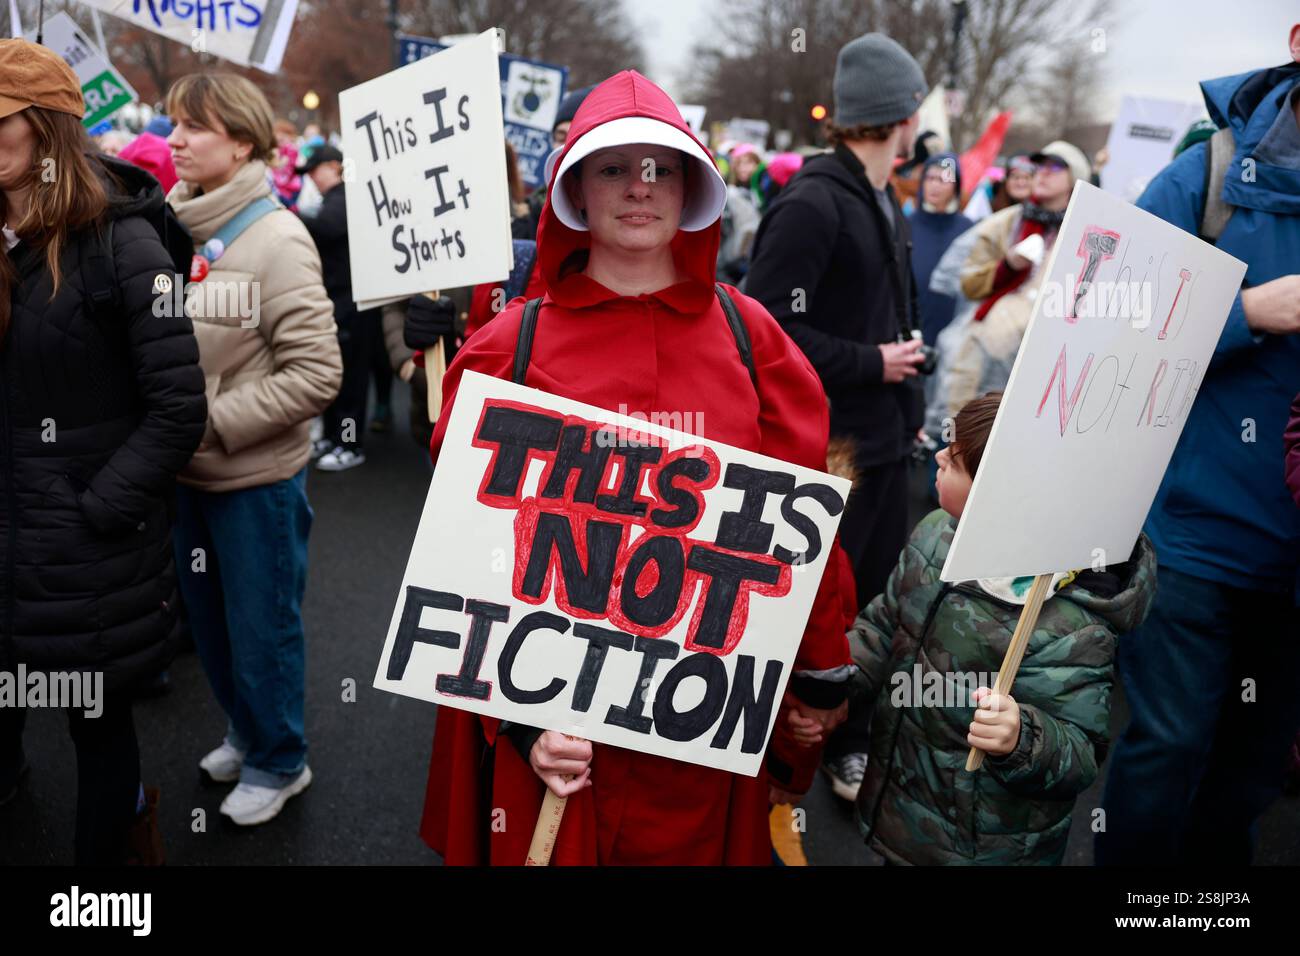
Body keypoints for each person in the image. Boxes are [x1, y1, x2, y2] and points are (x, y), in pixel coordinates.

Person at [412, 69, 854, 865]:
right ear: (576, 187)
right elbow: (464, 557)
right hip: (552, 721)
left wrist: (820, 671)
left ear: (692, 186)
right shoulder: (507, 346)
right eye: (614, 167)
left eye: (662, 166)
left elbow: (802, 531)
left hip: (699, 722)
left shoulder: (755, 341)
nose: (640, 188)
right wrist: (515, 720)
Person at [1097, 26, 1300, 866]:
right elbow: (1106, 319)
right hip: (1193, 543)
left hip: (1293, 571)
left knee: (1253, 774)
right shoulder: (1207, 175)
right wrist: (1246, 315)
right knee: (1166, 755)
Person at [0, 40, 207, 862]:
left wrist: (96, 510)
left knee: (97, 734)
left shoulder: (126, 246)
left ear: (43, 129)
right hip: (8, 544)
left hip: (87, 557)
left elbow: (177, 409)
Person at [841, 392, 1155, 864]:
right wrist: (836, 684)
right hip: (900, 805)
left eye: (959, 461)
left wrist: (1020, 737)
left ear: (1000, 496)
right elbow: (885, 624)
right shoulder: (934, 532)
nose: (941, 454)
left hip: (984, 847)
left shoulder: (1069, 624)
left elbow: (1080, 753)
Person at [744, 32, 929, 802]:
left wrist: (907, 402)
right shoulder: (816, 201)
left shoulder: (882, 195)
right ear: (901, 116)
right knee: (822, 610)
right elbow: (763, 327)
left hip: (885, 443)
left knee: (876, 605)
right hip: (832, 452)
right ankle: (787, 748)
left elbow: (886, 310)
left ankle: (851, 740)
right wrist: (874, 364)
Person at [165, 73, 342, 826]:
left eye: (191, 128)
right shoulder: (177, 222)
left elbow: (318, 372)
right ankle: (247, 731)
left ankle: (280, 760)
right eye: (173, 125)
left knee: (263, 626)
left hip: (253, 481)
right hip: (189, 477)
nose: (174, 140)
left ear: (240, 142)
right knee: (211, 624)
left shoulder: (278, 238)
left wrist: (207, 423)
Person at [946, 140, 1088, 415]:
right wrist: (1007, 265)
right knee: (968, 433)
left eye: (1055, 166)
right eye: (1040, 165)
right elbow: (968, 282)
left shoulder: (1087, 230)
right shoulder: (1006, 223)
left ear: (1075, 178)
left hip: (1048, 364)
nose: (1043, 172)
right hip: (987, 355)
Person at [297, 144, 376, 472]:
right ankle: (334, 436)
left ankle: (349, 443)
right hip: (340, 299)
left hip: (354, 302)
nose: (312, 179)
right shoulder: (335, 200)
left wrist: (287, 216)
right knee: (335, 374)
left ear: (333, 166)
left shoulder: (347, 198)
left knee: (351, 379)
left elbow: (328, 227)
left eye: (315, 170)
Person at [908, 152, 974, 347]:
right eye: (930, 178)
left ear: (956, 187)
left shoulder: (968, 230)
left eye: (944, 179)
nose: (935, 185)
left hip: (953, 337)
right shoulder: (905, 225)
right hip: (911, 337)